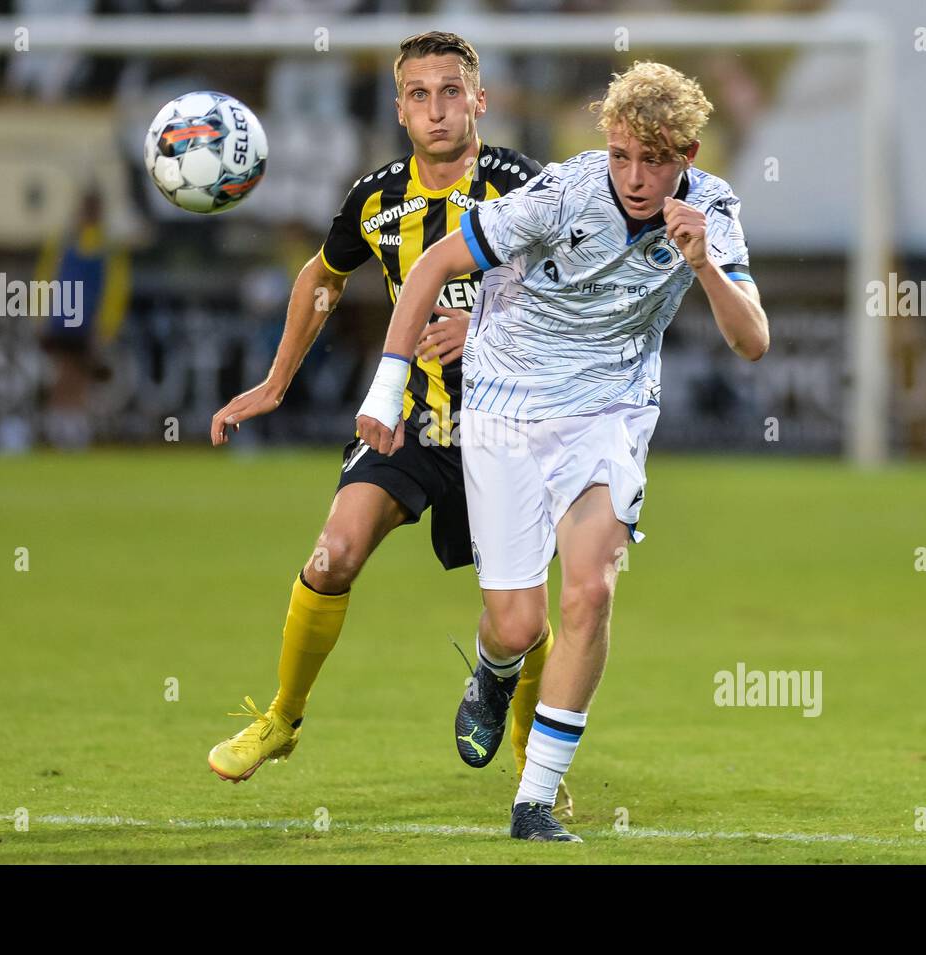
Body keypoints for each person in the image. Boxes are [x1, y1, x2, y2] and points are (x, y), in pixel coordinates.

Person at [355, 61, 769, 841]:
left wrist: (703, 263)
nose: (636, 178)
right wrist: (387, 388)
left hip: (609, 414)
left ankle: (534, 801)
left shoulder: (713, 209)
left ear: (690, 151)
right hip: (505, 405)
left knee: (591, 590)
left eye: (655, 159)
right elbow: (439, 262)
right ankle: (495, 669)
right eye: (621, 156)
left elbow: (753, 341)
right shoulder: (563, 194)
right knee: (516, 625)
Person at [206, 32, 562, 802]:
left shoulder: (523, 186)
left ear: (480, 99)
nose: (437, 110)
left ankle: (537, 761)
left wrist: (490, 326)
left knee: (519, 614)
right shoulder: (373, 198)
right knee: (333, 553)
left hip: (508, 427)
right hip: (410, 423)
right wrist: (275, 380)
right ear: (400, 108)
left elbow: (577, 284)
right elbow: (321, 276)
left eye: (451, 91)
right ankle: (281, 718)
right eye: (419, 94)